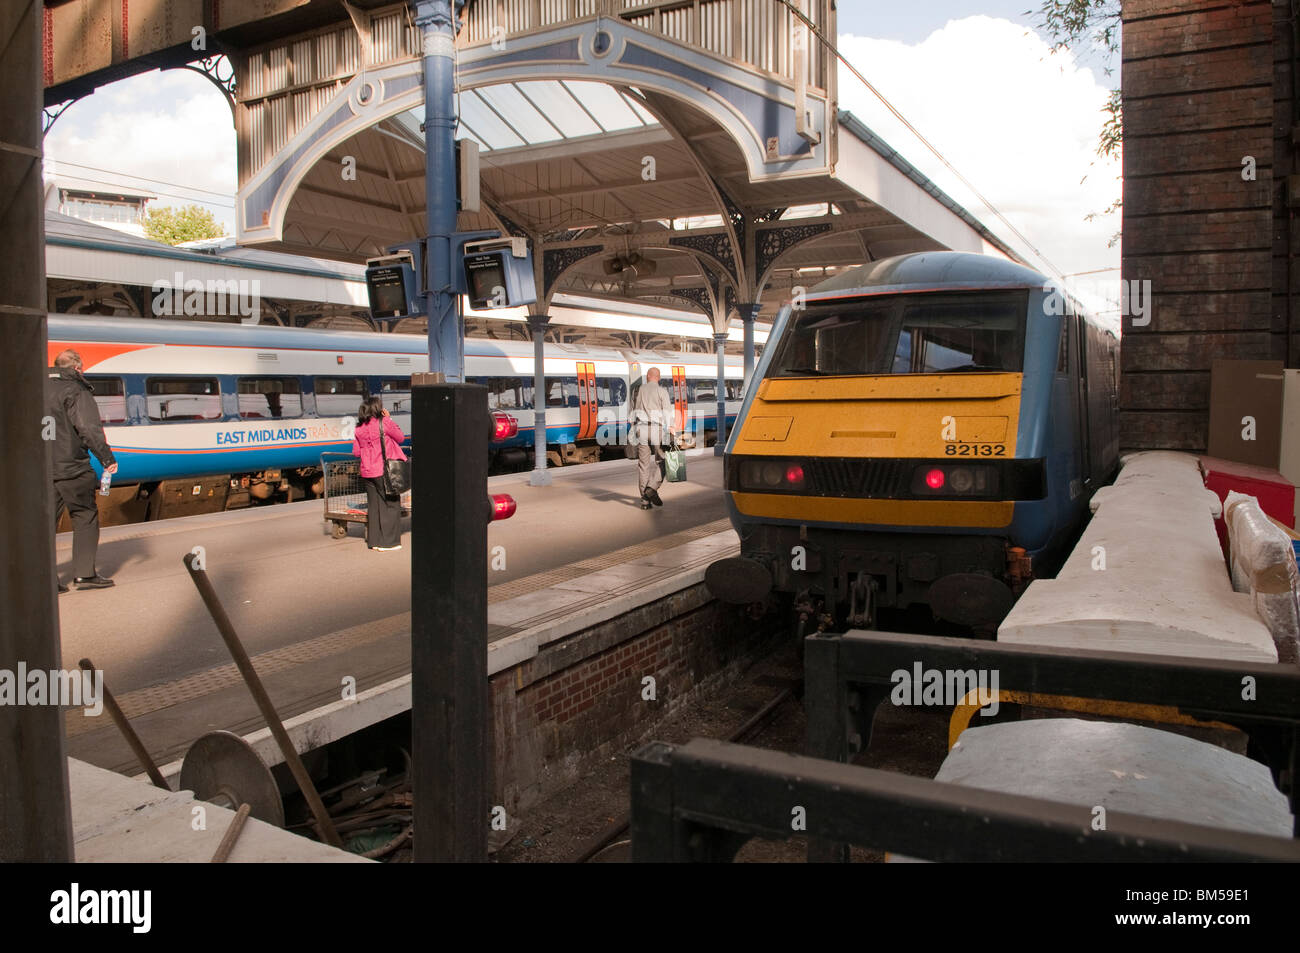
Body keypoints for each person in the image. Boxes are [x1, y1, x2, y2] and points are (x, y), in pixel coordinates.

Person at [46, 349, 118, 592]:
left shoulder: (33, 388)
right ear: (77, 367)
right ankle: (84, 576)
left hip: (40, 469)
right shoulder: (76, 389)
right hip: (72, 468)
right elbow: (88, 428)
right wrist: (107, 458)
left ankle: (46, 581)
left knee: (44, 523)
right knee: (85, 515)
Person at [351, 395, 407, 551]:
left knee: (374, 506)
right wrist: (388, 419)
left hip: (367, 472)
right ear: (378, 409)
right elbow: (401, 438)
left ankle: (374, 541)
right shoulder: (384, 424)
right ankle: (389, 543)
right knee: (390, 505)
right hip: (384, 471)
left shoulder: (359, 428)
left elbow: (356, 452)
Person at [631, 367, 675, 510]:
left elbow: (635, 411)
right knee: (663, 461)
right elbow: (668, 413)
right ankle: (652, 488)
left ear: (648, 376)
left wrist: (634, 429)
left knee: (643, 465)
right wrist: (672, 430)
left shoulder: (639, 390)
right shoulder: (662, 391)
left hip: (641, 429)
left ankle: (645, 501)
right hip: (657, 429)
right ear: (658, 377)